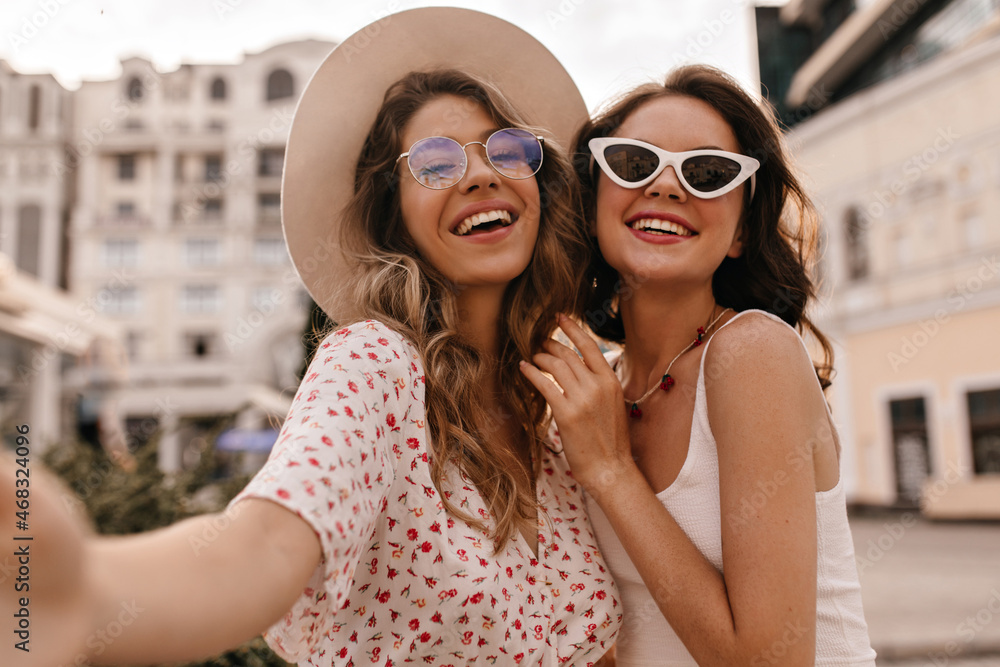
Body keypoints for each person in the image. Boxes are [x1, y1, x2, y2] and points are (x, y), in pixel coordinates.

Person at [0, 9, 621, 666]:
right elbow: (264, 543)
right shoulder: (374, 365)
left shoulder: (562, 412)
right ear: (393, 216)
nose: (481, 174)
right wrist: (83, 594)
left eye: (507, 150)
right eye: (435, 163)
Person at [519, 65, 877, 666]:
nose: (665, 186)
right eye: (633, 163)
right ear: (593, 199)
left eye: (708, 173)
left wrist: (612, 471)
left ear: (740, 233)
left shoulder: (751, 352)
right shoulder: (590, 393)